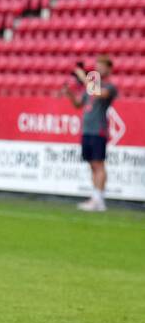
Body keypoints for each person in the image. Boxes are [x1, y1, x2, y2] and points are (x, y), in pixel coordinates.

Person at [64, 55, 118, 212]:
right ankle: (95, 197)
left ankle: (99, 199)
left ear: (108, 69)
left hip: (98, 130)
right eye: (97, 66)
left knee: (98, 164)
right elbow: (78, 105)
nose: (99, 69)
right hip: (87, 130)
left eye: (102, 66)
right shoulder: (92, 86)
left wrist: (82, 75)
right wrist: (70, 94)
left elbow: (98, 92)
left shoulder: (109, 87)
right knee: (92, 165)